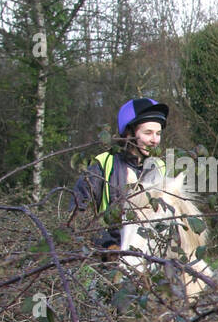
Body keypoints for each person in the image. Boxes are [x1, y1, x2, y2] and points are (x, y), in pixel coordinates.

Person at [72, 98, 169, 250]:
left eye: (158, 133)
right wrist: (108, 246)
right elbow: (77, 215)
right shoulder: (102, 165)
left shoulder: (160, 167)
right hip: (107, 262)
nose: (154, 140)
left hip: (150, 258)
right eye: (148, 133)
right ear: (128, 133)